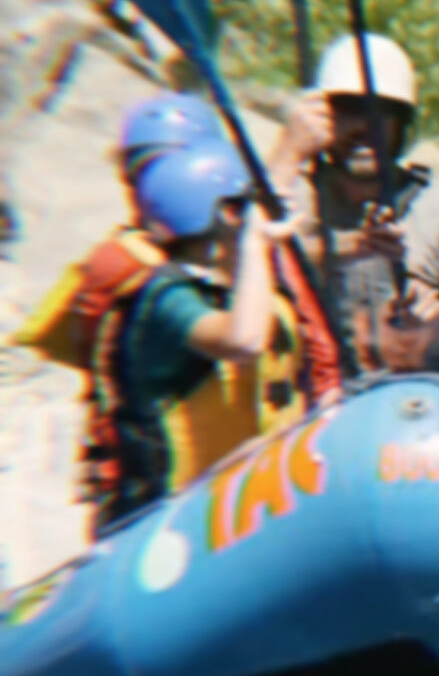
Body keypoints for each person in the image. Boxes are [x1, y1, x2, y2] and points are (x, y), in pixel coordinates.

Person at [14, 96, 341, 520]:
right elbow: (242, 339)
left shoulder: (210, 264)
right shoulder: (151, 286)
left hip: (245, 497)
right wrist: (259, 232)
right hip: (172, 512)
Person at [89, 139, 310, 530]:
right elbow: (242, 341)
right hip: (168, 521)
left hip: (232, 510)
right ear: (226, 214)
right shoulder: (166, 298)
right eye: (244, 205)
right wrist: (256, 241)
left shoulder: (225, 287)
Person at [282, 33, 439, 376]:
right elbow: (241, 263)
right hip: (325, 407)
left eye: (379, 113)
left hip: (423, 402)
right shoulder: (293, 198)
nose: (362, 127)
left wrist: (437, 313)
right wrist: (288, 151)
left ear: (402, 125)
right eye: (347, 110)